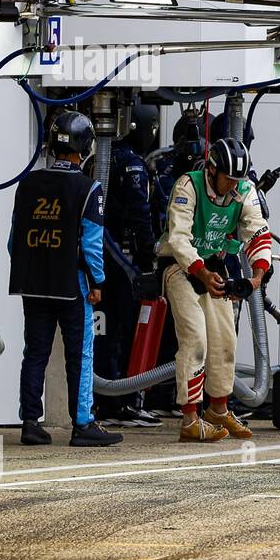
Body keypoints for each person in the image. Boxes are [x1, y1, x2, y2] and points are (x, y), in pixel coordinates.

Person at [9, 111, 122, 447]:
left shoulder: (27, 184)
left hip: (33, 283)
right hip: (73, 285)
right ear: (84, 146)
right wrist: (98, 283)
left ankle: (31, 422)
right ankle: (83, 424)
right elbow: (91, 243)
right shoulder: (89, 189)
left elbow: (14, 241)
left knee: (35, 352)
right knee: (81, 354)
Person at [159, 137, 273, 443]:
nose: (233, 186)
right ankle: (189, 418)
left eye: (238, 180)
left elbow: (257, 231)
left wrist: (256, 278)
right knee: (195, 339)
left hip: (215, 266)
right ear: (211, 170)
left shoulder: (244, 190)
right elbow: (178, 238)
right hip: (179, 267)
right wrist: (201, 272)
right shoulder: (188, 185)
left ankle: (219, 410)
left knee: (225, 340)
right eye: (227, 179)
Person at [96, 103, 162, 428]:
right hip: (122, 258)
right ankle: (123, 402)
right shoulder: (133, 164)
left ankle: (106, 402)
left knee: (104, 329)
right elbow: (141, 213)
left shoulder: (102, 158)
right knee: (124, 329)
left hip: (99, 256)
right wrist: (149, 255)